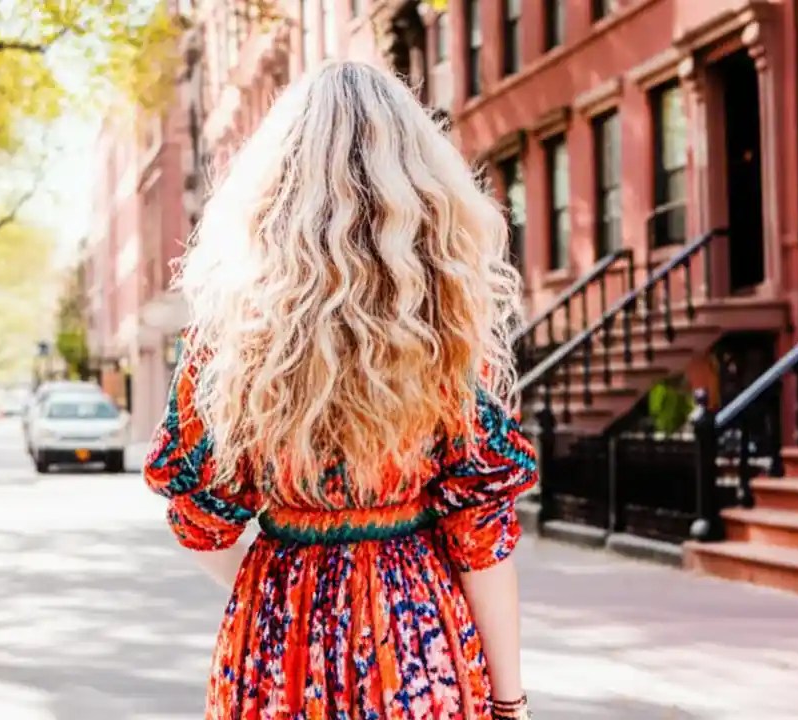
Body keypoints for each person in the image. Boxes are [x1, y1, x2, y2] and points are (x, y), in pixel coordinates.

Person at [144, 61, 537, 720]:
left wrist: (283, 579)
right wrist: (509, 703)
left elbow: (199, 518)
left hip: (277, 650)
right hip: (417, 640)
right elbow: (481, 538)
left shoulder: (230, 337)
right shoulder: (442, 329)